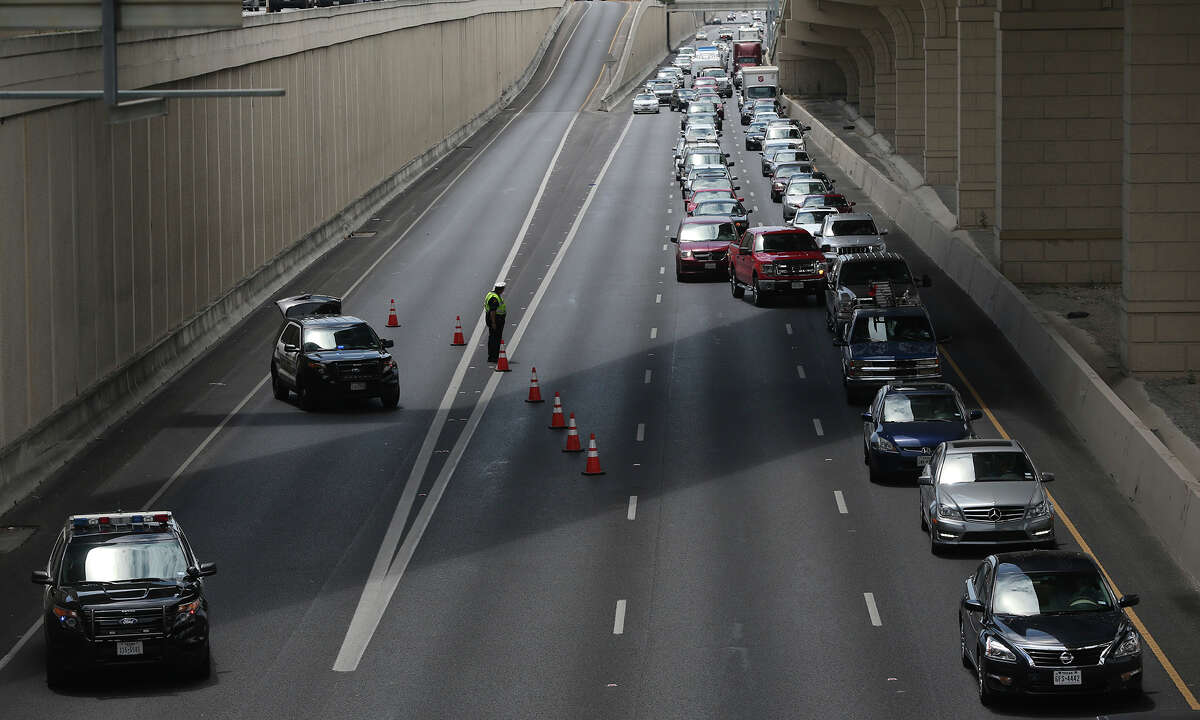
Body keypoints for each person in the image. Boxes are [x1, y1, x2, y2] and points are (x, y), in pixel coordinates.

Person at [484, 281, 507, 363]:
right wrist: (493, 323)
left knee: (493, 337)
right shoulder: (494, 298)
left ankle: (492, 356)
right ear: (500, 289)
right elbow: (493, 311)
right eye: (503, 289)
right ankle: (494, 357)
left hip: (494, 319)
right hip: (496, 319)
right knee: (496, 338)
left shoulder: (491, 294)